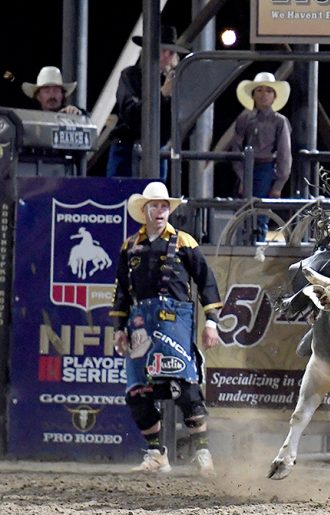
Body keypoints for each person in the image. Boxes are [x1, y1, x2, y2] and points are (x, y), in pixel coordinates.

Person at [110, 181, 222, 476]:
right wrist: (118, 327)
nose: (159, 211)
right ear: (144, 210)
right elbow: (122, 289)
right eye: (154, 206)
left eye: (163, 206)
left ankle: (202, 453)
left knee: (185, 386)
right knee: (137, 391)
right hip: (139, 324)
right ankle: (156, 454)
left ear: (169, 210)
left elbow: (206, 281)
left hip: (175, 321)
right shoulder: (130, 245)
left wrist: (211, 322)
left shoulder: (185, 242)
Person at [107, 25, 190, 177]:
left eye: (170, 52)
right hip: (126, 148)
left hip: (158, 149)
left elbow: (184, 124)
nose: (166, 56)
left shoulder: (176, 83)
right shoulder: (131, 75)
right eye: (162, 50)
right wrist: (163, 94)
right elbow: (131, 114)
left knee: (156, 197)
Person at [229, 72, 292, 241]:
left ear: (274, 96)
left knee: (260, 213)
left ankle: (257, 245)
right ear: (253, 95)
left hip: (265, 168)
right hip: (246, 167)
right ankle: (242, 246)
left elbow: (284, 153)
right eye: (260, 91)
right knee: (242, 211)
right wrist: (242, 176)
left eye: (268, 91)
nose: (264, 95)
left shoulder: (280, 121)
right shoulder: (244, 118)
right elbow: (236, 147)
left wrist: (279, 183)